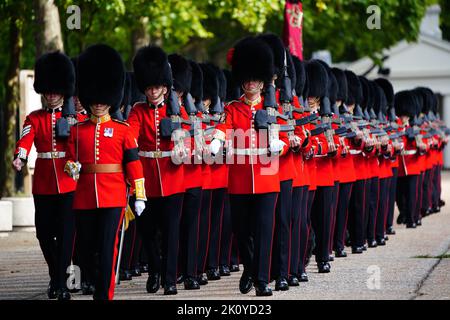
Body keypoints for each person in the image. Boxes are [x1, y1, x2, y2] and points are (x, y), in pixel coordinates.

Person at [64, 44, 146, 300]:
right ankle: (94, 280)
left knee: (107, 247)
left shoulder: (123, 130)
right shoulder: (77, 131)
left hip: (113, 196)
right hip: (85, 195)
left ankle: (104, 295)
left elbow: (133, 163)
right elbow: (69, 161)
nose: (98, 104)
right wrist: (71, 167)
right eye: (94, 99)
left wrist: (140, 194)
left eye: (103, 99)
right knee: (86, 248)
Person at [211, 36, 288, 296]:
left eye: (255, 79)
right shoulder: (233, 108)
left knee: (265, 230)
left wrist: (281, 145)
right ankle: (250, 268)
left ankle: (262, 281)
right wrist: (217, 141)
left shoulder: (273, 106)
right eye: (247, 79)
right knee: (242, 231)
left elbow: (286, 136)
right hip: (241, 176)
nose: (251, 83)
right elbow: (224, 127)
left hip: (267, 175)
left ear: (262, 80)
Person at [13, 51, 79, 300]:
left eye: (55, 91)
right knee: (43, 232)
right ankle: (56, 275)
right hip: (43, 184)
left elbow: (80, 148)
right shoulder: (34, 117)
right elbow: (26, 139)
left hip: (68, 182)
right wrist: (20, 156)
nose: (51, 95)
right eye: (47, 91)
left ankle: (60, 283)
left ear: (63, 91)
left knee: (65, 234)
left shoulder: (75, 119)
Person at [128, 45, 186, 295]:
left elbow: (189, 136)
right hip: (147, 181)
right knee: (148, 233)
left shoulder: (177, 110)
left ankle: (170, 279)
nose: (152, 92)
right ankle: (154, 271)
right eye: (149, 87)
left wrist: (184, 148)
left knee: (171, 233)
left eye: (156, 87)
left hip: (172, 178)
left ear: (165, 86)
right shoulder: (137, 111)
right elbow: (130, 136)